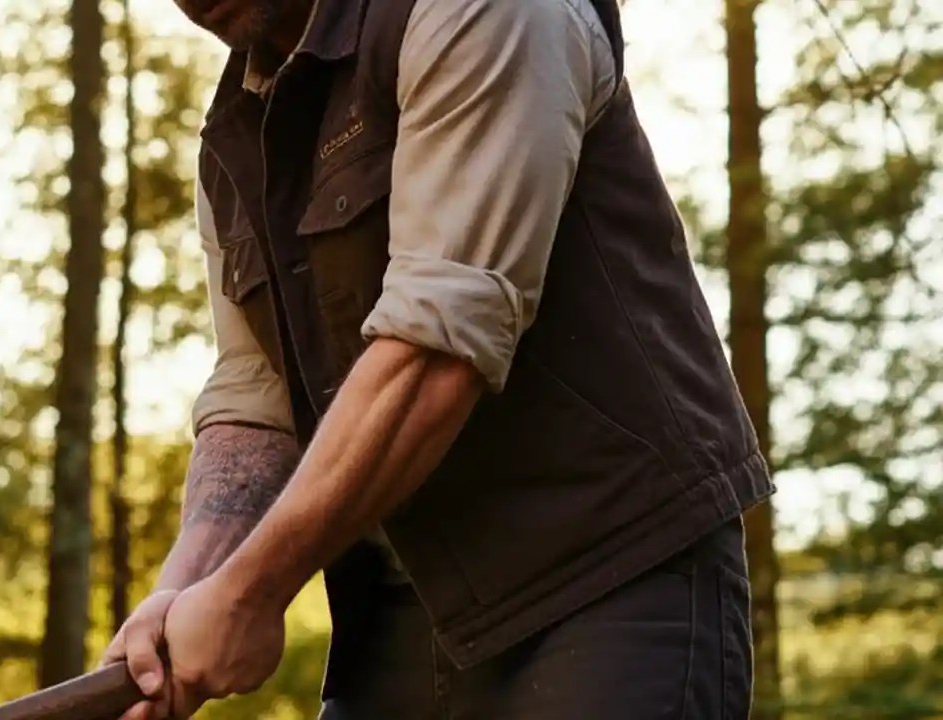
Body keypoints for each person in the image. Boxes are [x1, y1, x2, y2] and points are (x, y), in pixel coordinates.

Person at [101, 0, 775, 717]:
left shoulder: (486, 10)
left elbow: (440, 344)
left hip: (609, 584)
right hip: (399, 622)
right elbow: (257, 400)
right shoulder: (236, 135)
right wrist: (181, 601)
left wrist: (250, 592)